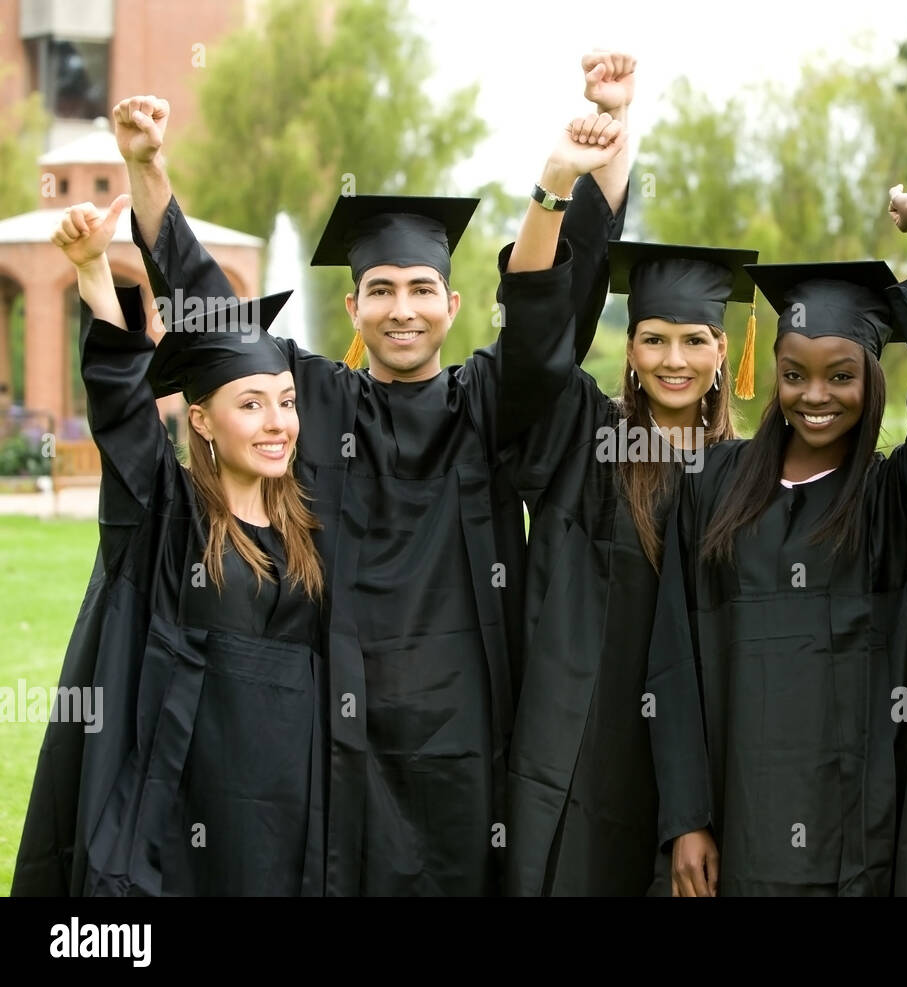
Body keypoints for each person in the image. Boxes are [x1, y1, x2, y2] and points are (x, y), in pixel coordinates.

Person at [111, 65, 631, 894]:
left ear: (454, 306)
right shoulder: (315, 397)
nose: (402, 308)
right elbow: (212, 312)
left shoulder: (487, 403)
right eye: (380, 290)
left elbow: (543, 318)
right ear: (351, 310)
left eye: (422, 289)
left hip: (468, 728)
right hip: (337, 723)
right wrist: (148, 169)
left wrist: (561, 178)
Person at [647, 186, 907, 896]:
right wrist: (685, 818)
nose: (816, 394)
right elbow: (672, 656)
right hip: (731, 818)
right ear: (772, 371)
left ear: (871, 378)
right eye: (795, 373)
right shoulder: (712, 484)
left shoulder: (899, 500)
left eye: (842, 375)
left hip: (857, 829)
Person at [13, 196, 327, 895]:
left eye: (286, 399)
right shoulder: (166, 512)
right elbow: (123, 405)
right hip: (180, 819)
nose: (278, 421)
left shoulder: (312, 522)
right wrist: (95, 270)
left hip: (287, 821)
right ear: (203, 421)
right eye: (251, 404)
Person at [500, 171, 759, 893]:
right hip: (584, 759)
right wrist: (586, 185)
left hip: (701, 775)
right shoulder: (586, 436)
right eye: (653, 338)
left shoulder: (748, 476)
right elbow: (536, 345)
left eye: (693, 339)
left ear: (722, 351)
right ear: (631, 347)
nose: (673, 360)